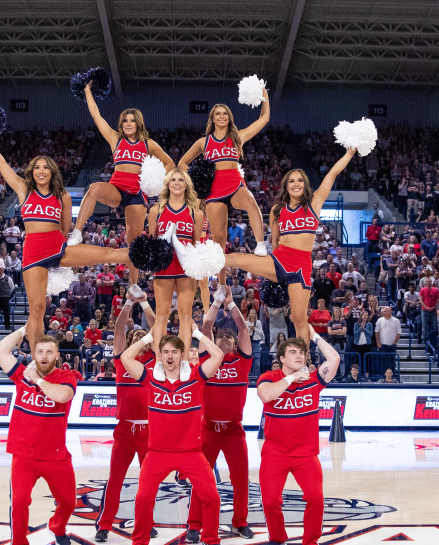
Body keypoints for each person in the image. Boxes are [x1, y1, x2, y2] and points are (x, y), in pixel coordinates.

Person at [0, 129, 129, 348]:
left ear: (52, 171)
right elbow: (1, 163)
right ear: (31, 171)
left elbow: (65, 229)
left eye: (45, 167)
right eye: (37, 167)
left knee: (108, 253)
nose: (41, 171)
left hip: (57, 248)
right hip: (33, 253)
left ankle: (156, 255)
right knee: (37, 309)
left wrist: (62, 249)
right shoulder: (24, 189)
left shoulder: (63, 196)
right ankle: (39, 359)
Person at [222, 145, 357, 344]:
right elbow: (275, 242)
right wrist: (276, 276)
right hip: (280, 260)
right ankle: (196, 262)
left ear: (305, 184)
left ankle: (304, 363)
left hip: (301, 266)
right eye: (292, 181)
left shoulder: (314, 203)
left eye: (300, 180)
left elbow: (333, 173)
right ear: (286, 185)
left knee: (299, 318)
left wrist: (349, 153)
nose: (296, 184)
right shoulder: (277, 209)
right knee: (233, 258)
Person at [118, 330, 227, 545]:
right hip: (157, 453)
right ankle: (139, 542)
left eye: (174, 352)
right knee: (143, 498)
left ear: (181, 355)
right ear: (160, 355)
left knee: (212, 497)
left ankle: (210, 540)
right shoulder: (150, 379)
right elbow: (126, 358)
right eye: (165, 352)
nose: (170, 356)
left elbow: (217, 356)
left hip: (191, 452)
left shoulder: (196, 378)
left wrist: (197, 333)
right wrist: (147, 339)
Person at [0, 326, 81, 545]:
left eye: (49, 352)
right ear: (33, 354)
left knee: (69, 502)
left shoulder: (67, 377)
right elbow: (1, 350)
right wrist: (24, 329)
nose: (43, 356)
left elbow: (61, 397)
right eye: (39, 351)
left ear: (57, 356)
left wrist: (38, 380)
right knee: (20, 502)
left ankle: (57, 527)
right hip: (24, 455)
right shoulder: (21, 374)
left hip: (55, 456)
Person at [70, 90, 176, 289]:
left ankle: (134, 285)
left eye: (132, 120)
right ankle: (76, 231)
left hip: (137, 194)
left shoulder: (148, 144)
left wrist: (159, 184)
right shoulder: (114, 139)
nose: (128, 123)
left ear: (138, 123)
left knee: (133, 241)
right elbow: (96, 115)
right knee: (93, 188)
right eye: (125, 120)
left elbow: (170, 165)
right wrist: (87, 91)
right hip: (117, 189)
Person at [256, 333, 341, 545]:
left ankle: (311, 544)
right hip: (275, 452)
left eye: (302, 353)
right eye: (292, 352)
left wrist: (315, 336)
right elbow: (266, 395)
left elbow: (333, 360)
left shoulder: (314, 380)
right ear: (282, 358)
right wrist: (292, 379)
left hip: (306, 454)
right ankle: (277, 538)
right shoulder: (269, 377)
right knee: (271, 500)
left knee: (316, 497)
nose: (299, 356)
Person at [183, 286, 256, 541]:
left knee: (240, 480)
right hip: (209, 429)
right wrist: (215, 302)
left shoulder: (241, 363)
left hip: (234, 430)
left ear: (235, 345)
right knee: (201, 480)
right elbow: (205, 329)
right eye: (221, 338)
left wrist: (232, 304)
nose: (225, 340)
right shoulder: (208, 361)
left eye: (229, 339)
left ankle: (240, 522)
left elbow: (244, 329)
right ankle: (194, 524)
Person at [178, 96, 271, 273]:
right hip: (214, 190)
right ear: (212, 118)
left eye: (225, 114)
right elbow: (182, 163)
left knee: (251, 201)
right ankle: (221, 286)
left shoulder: (238, 137)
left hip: (235, 184)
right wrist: (194, 182)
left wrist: (264, 95)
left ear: (229, 118)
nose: (222, 116)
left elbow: (264, 118)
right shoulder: (203, 142)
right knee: (219, 238)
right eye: (218, 114)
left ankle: (260, 244)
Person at [94, 289, 156, 542]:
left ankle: (146, 522)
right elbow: (119, 329)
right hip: (124, 429)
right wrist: (129, 302)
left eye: (144, 336)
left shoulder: (156, 361)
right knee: (116, 480)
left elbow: (157, 326)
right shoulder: (120, 361)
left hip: (150, 430)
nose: (140, 337)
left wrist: (146, 304)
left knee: (148, 483)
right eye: (136, 335)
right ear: (131, 341)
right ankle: (104, 525)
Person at [147, 168, 205, 353]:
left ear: (186, 184)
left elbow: (196, 244)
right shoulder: (156, 211)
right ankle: (159, 361)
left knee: (186, 315)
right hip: (164, 267)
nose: (177, 182)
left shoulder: (196, 213)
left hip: (186, 268)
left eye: (181, 179)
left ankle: (185, 360)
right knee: (162, 315)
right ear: (167, 184)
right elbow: (151, 242)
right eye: (173, 179)